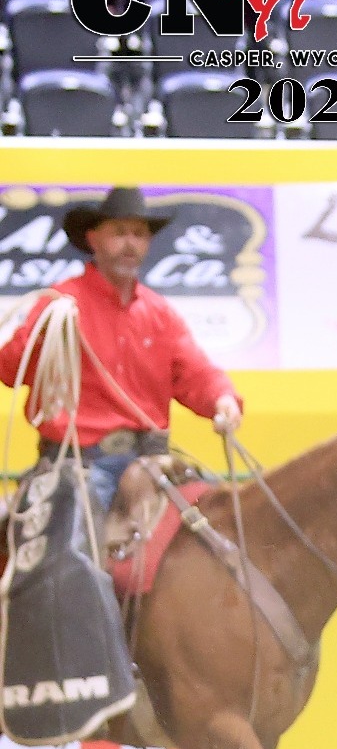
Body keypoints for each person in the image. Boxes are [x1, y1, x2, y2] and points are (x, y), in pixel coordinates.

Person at [0, 189, 243, 518]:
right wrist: (44, 333)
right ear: (93, 239)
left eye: (139, 234)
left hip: (150, 462)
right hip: (78, 463)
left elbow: (196, 373)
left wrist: (222, 399)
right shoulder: (58, 304)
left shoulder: (159, 314)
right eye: (119, 233)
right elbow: (10, 371)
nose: (130, 243)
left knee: (220, 525)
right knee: (75, 544)